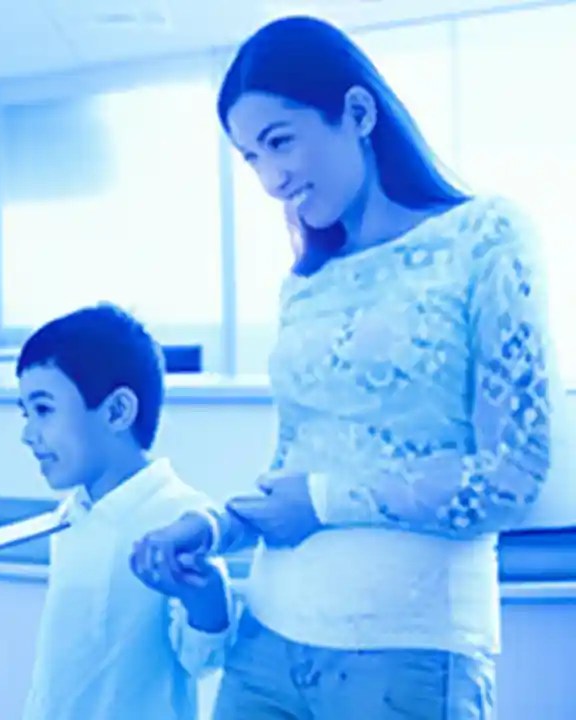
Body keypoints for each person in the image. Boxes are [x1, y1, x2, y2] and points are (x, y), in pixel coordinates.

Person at [130, 15, 558, 720]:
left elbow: (513, 477)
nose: (271, 179)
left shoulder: (487, 237)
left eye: (280, 142)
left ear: (357, 113)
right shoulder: (306, 284)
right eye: (251, 158)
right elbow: (291, 478)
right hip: (264, 646)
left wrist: (324, 501)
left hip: (407, 656)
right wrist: (212, 529)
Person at [16, 304, 235, 720]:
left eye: (43, 410)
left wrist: (203, 596)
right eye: (25, 413)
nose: (27, 434)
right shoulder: (71, 515)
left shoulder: (181, 517)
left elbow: (204, 659)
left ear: (117, 411)